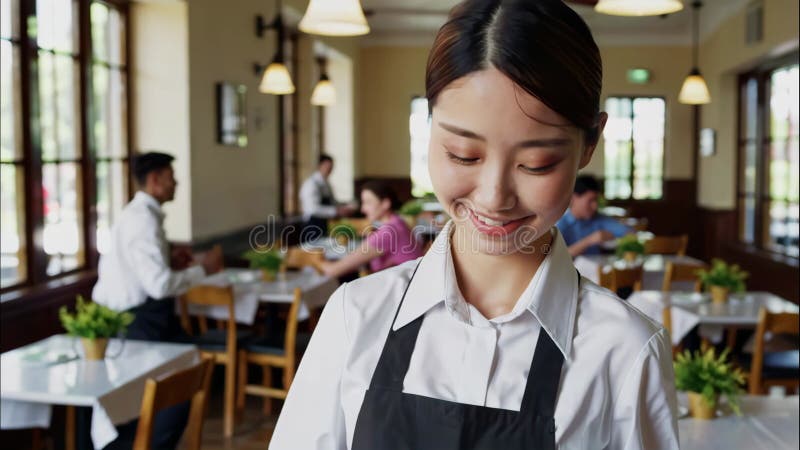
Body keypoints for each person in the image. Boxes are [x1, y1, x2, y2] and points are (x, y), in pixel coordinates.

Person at [270, 1, 678, 449]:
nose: (493, 197)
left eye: (536, 163)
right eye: (463, 155)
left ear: (589, 145)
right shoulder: (356, 317)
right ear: (428, 128)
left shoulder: (626, 350)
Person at [318, 181, 424, 278]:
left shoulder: (388, 233)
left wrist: (312, 259)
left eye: (368, 202)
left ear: (385, 204)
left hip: (404, 294)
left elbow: (333, 270)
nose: (363, 209)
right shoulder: (398, 222)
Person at [556, 174, 632, 257]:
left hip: (598, 268)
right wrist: (589, 240)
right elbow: (556, 257)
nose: (595, 206)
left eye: (596, 200)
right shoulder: (560, 224)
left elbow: (629, 232)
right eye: (591, 200)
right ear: (573, 198)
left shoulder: (599, 219)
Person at [299, 154, 355, 240]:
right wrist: (336, 211)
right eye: (327, 166)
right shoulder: (310, 184)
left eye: (331, 167)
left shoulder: (326, 183)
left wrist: (344, 207)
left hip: (324, 223)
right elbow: (312, 209)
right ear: (319, 166)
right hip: (312, 225)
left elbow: (332, 201)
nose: (330, 170)